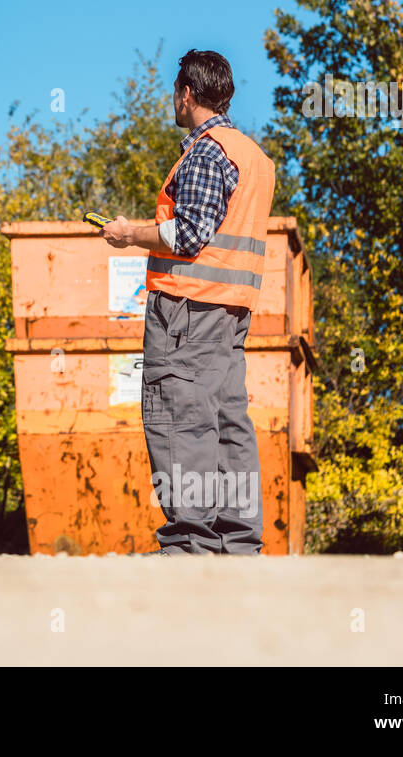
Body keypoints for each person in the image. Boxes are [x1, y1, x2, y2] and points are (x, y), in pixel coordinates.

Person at [101, 49, 275, 554]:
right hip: (229, 314)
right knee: (227, 425)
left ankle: (189, 547)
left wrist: (129, 232)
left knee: (178, 419)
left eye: (175, 92)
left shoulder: (204, 152)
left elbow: (190, 233)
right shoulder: (255, 157)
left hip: (187, 311)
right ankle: (237, 547)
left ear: (187, 94)